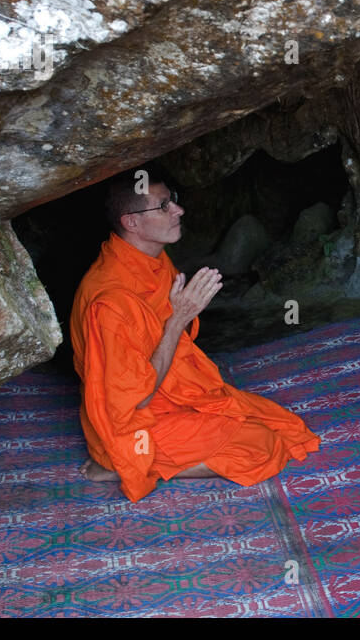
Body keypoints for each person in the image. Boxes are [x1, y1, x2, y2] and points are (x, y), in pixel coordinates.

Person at [70, 168, 320, 502]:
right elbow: (136, 399)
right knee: (263, 448)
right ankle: (128, 462)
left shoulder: (150, 260)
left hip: (173, 395)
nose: (178, 210)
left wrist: (182, 316)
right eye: (163, 206)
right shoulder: (110, 301)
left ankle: (136, 458)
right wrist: (179, 318)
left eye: (173, 200)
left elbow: (176, 342)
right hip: (134, 422)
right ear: (132, 222)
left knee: (282, 424)